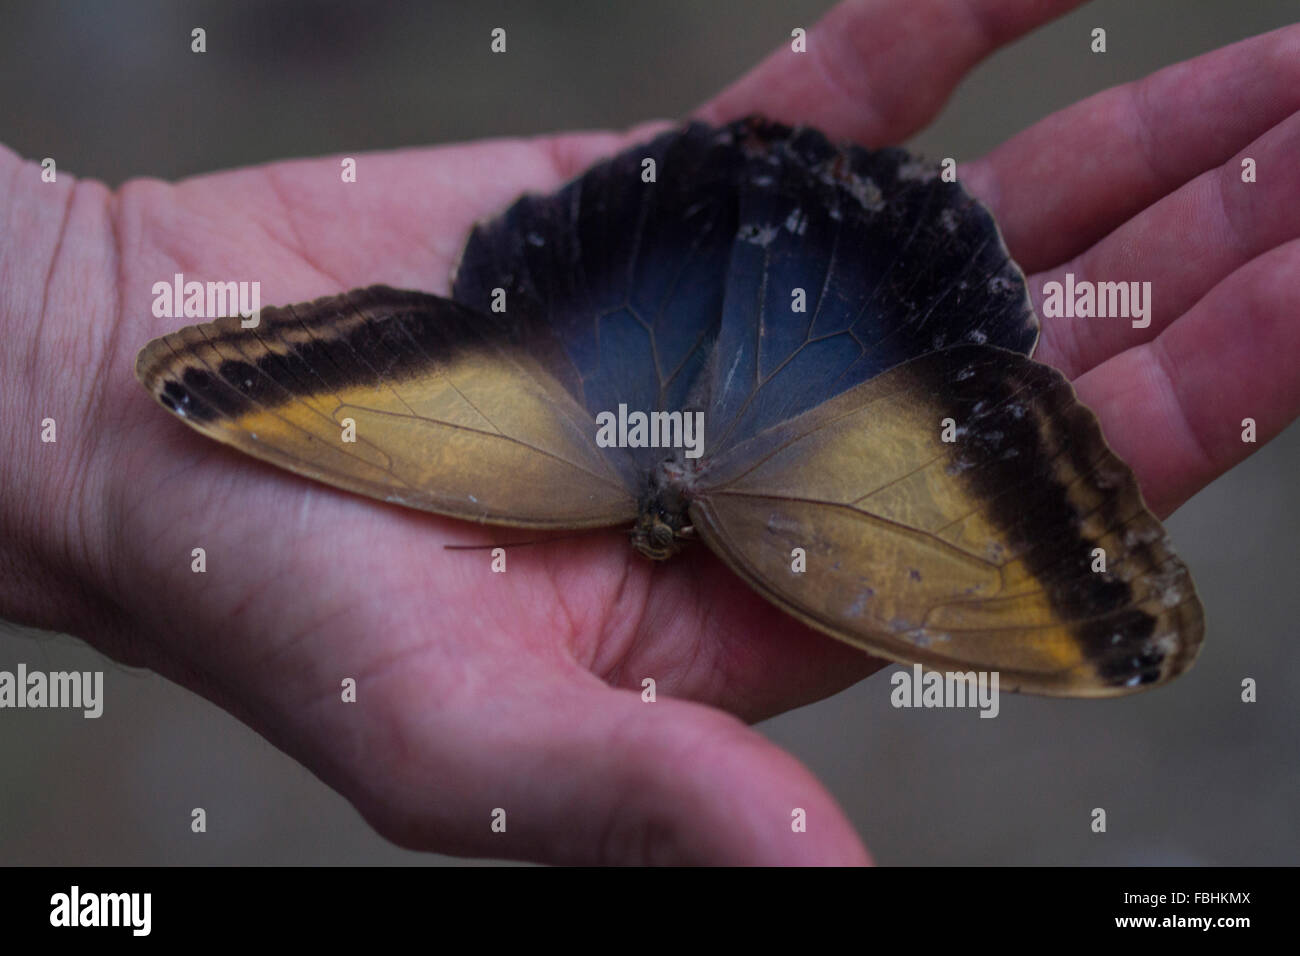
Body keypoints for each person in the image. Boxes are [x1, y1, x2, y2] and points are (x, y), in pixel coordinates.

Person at [1, 0, 1296, 865]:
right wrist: (65, 304)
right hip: (816, 341)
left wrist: (69, 298)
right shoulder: (719, 524)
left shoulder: (582, 489)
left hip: (619, 315)